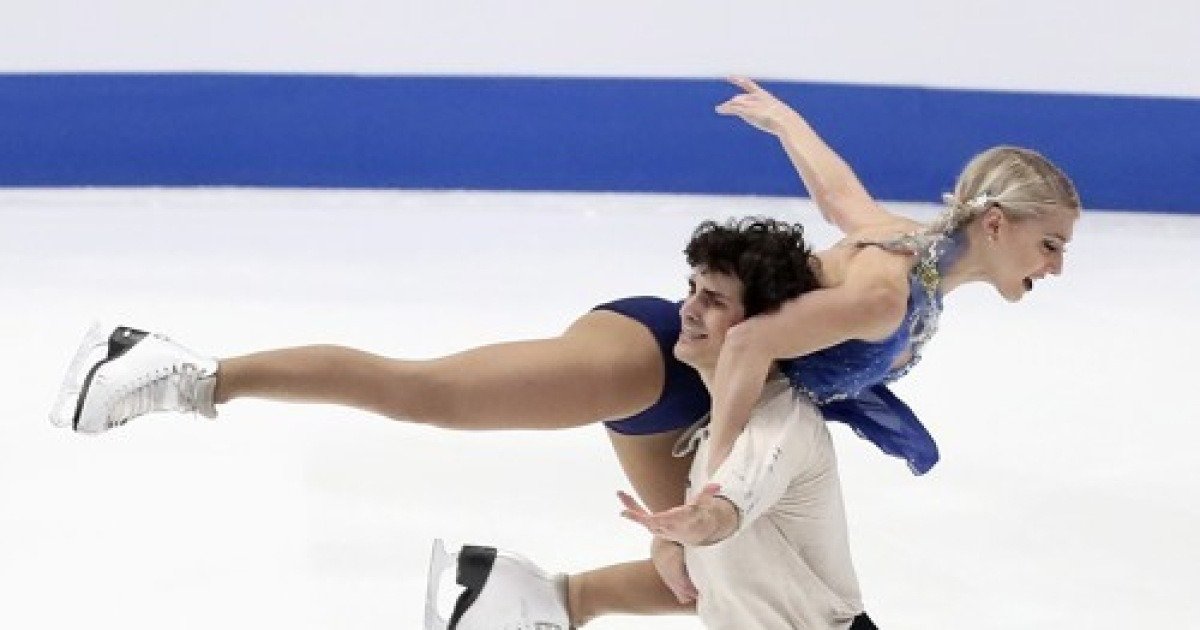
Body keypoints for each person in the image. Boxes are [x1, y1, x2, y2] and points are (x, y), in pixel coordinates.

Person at [49, 77, 1081, 624]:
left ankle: (524, 599)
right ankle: (179, 371)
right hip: (661, 359)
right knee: (427, 393)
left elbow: (837, 194)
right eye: (1050, 244)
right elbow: (751, 346)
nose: (1057, 265)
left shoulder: (906, 251)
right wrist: (718, 478)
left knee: (698, 581)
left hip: (690, 391)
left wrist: (789, 125)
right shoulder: (888, 285)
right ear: (995, 224)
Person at [428, 216, 877, 629]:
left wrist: (699, 524)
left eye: (713, 300)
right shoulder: (718, 423)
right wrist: (672, 544)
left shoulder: (778, 426)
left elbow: (730, 504)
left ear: (764, 326)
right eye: (692, 290)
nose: (688, 309)